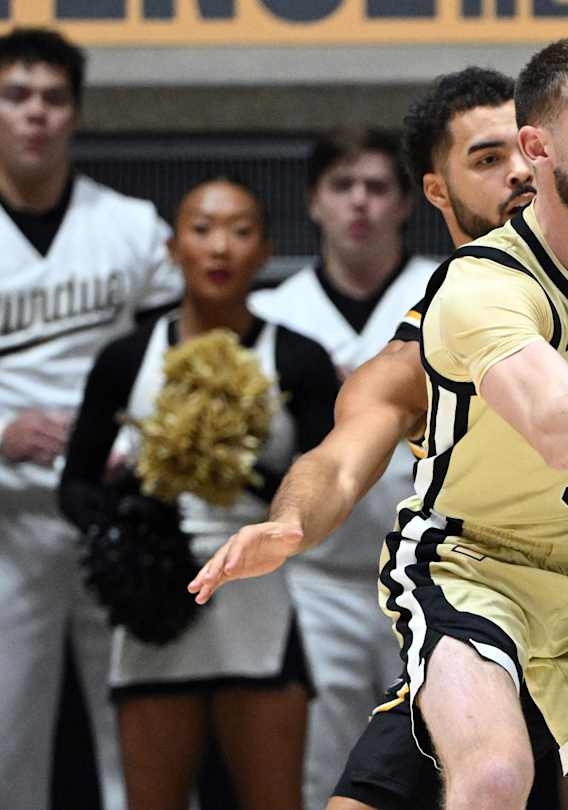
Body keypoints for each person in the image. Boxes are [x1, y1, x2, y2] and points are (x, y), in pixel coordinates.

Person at [190, 40, 568, 810]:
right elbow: (345, 459)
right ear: (442, 189)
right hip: (482, 575)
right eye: (486, 158)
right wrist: (289, 524)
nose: (516, 176)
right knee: (488, 778)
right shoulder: (460, 305)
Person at [58, 176, 339, 810]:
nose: (220, 248)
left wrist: (238, 469)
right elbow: (73, 488)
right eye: (202, 229)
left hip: (261, 609)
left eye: (240, 231)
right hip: (155, 616)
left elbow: (329, 484)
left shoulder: (298, 359)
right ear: (172, 247)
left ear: (265, 250)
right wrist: (129, 519)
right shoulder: (126, 359)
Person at [0, 26, 182, 810]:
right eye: (16, 97)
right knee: (8, 737)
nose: (35, 114)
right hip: (5, 519)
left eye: (52, 98)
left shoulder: (133, 225)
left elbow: (178, 364)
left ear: (75, 113)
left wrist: (132, 437)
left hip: (116, 512)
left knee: (136, 737)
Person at [248, 128, 438, 810]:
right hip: (316, 581)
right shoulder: (269, 316)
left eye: (378, 186)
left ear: (407, 202)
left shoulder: (452, 294)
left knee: (440, 767)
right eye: (342, 185)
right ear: (314, 202)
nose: (360, 202)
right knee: (325, 771)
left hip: (433, 574)